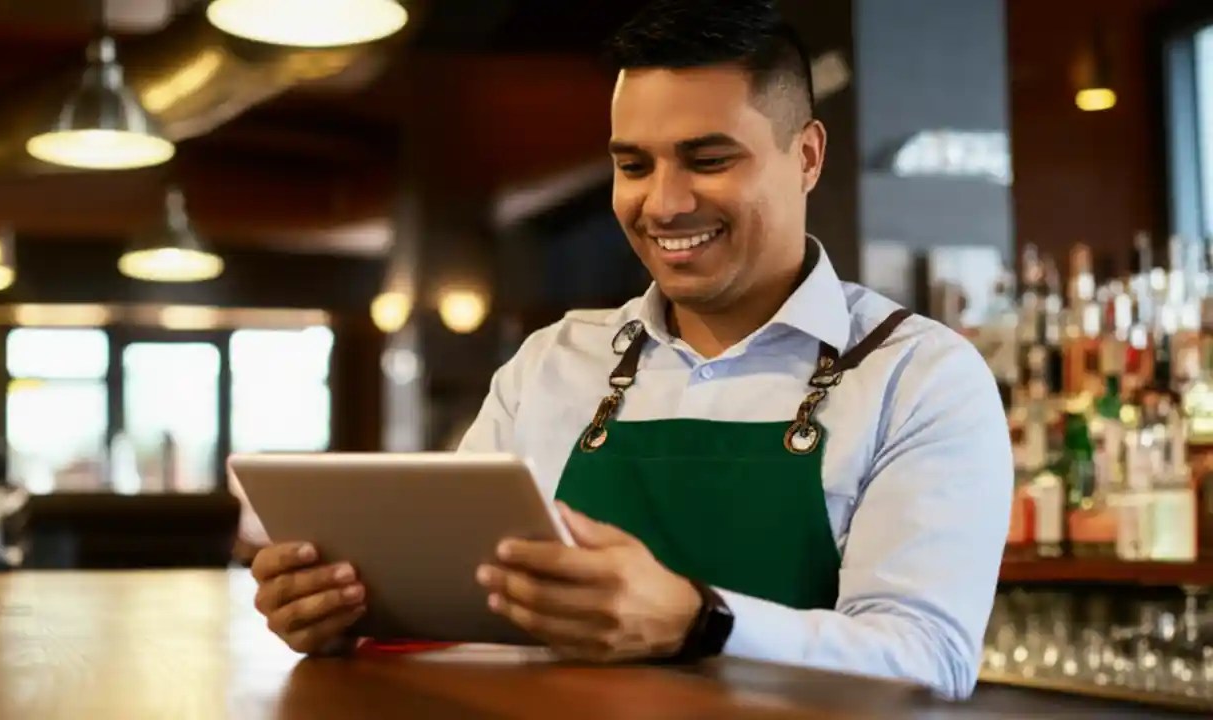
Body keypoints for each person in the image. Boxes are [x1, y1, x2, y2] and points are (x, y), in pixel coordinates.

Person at [248, 0, 1012, 700]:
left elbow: (927, 660)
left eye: (708, 160)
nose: (664, 202)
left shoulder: (919, 377)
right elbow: (466, 605)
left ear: (807, 156)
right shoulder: (551, 364)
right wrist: (349, 613)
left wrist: (699, 623)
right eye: (633, 165)